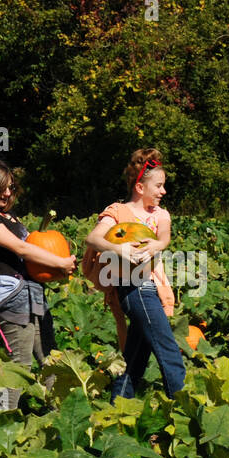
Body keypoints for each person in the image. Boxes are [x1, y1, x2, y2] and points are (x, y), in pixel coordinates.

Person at [0, 158, 76, 410]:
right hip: (9, 297)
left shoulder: (10, 216)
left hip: (31, 294)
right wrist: (59, 263)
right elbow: (21, 248)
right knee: (18, 366)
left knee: (50, 358)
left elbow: (34, 254)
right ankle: (3, 418)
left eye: (11, 187)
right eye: (1, 187)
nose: (7, 193)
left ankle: (60, 415)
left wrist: (59, 269)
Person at [84, 148, 185, 400]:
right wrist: (118, 247)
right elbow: (93, 237)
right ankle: (184, 402)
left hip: (152, 285)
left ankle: (120, 399)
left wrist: (157, 245)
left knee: (137, 351)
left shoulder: (161, 214)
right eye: (158, 186)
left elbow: (164, 237)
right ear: (140, 187)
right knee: (167, 345)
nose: (163, 191)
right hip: (133, 286)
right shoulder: (117, 212)